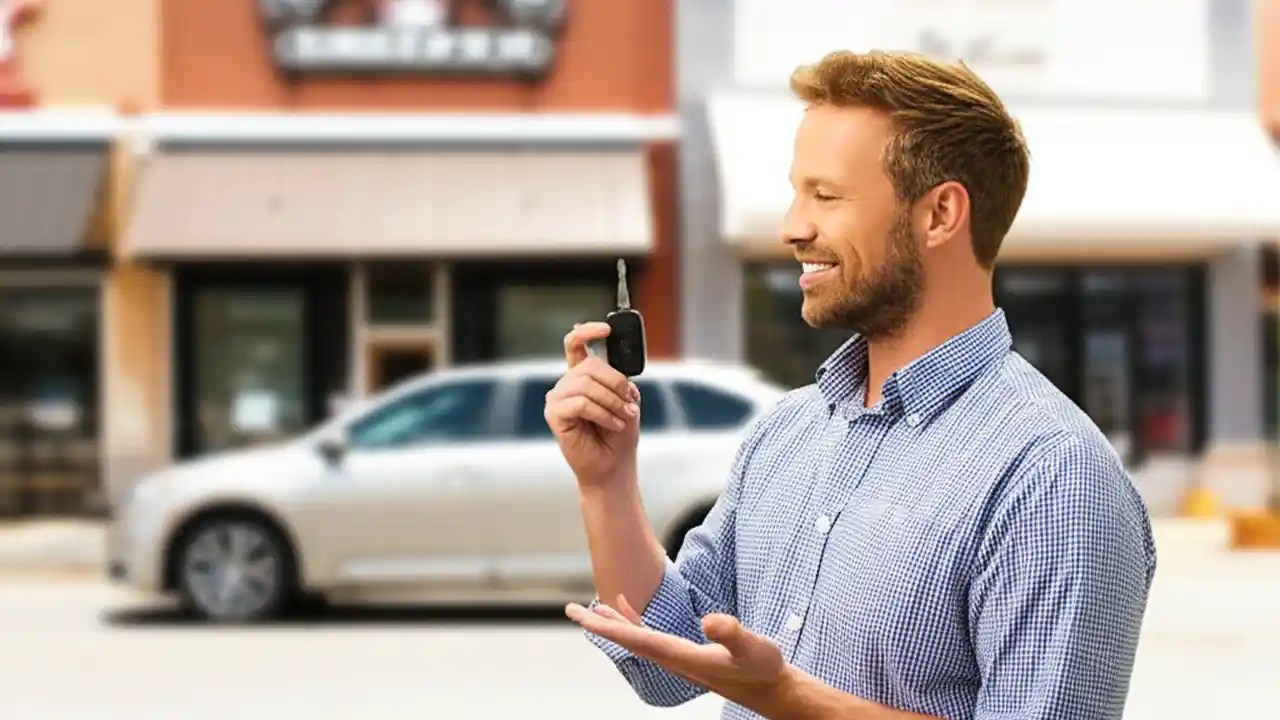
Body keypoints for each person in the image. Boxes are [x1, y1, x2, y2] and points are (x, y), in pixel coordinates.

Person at [545, 49, 1157, 720]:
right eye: (796, 192)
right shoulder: (788, 431)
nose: (792, 227)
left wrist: (792, 700)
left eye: (825, 195)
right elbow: (669, 662)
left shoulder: (1054, 474)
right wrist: (605, 482)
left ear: (940, 215)